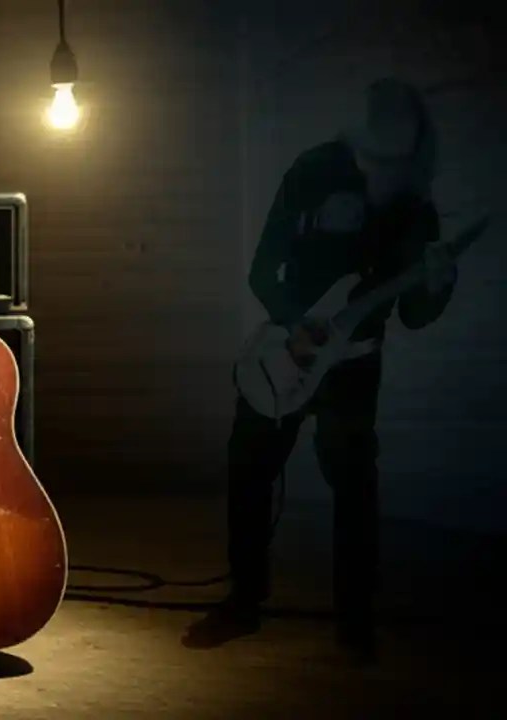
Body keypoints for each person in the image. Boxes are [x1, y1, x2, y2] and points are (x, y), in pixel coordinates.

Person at [183, 79, 461, 661]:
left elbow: (413, 314)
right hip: (283, 351)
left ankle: (355, 622)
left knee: (356, 489)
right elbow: (263, 269)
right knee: (249, 474)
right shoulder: (312, 170)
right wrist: (295, 321)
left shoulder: (415, 207)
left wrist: (439, 285)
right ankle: (244, 601)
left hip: (356, 366)